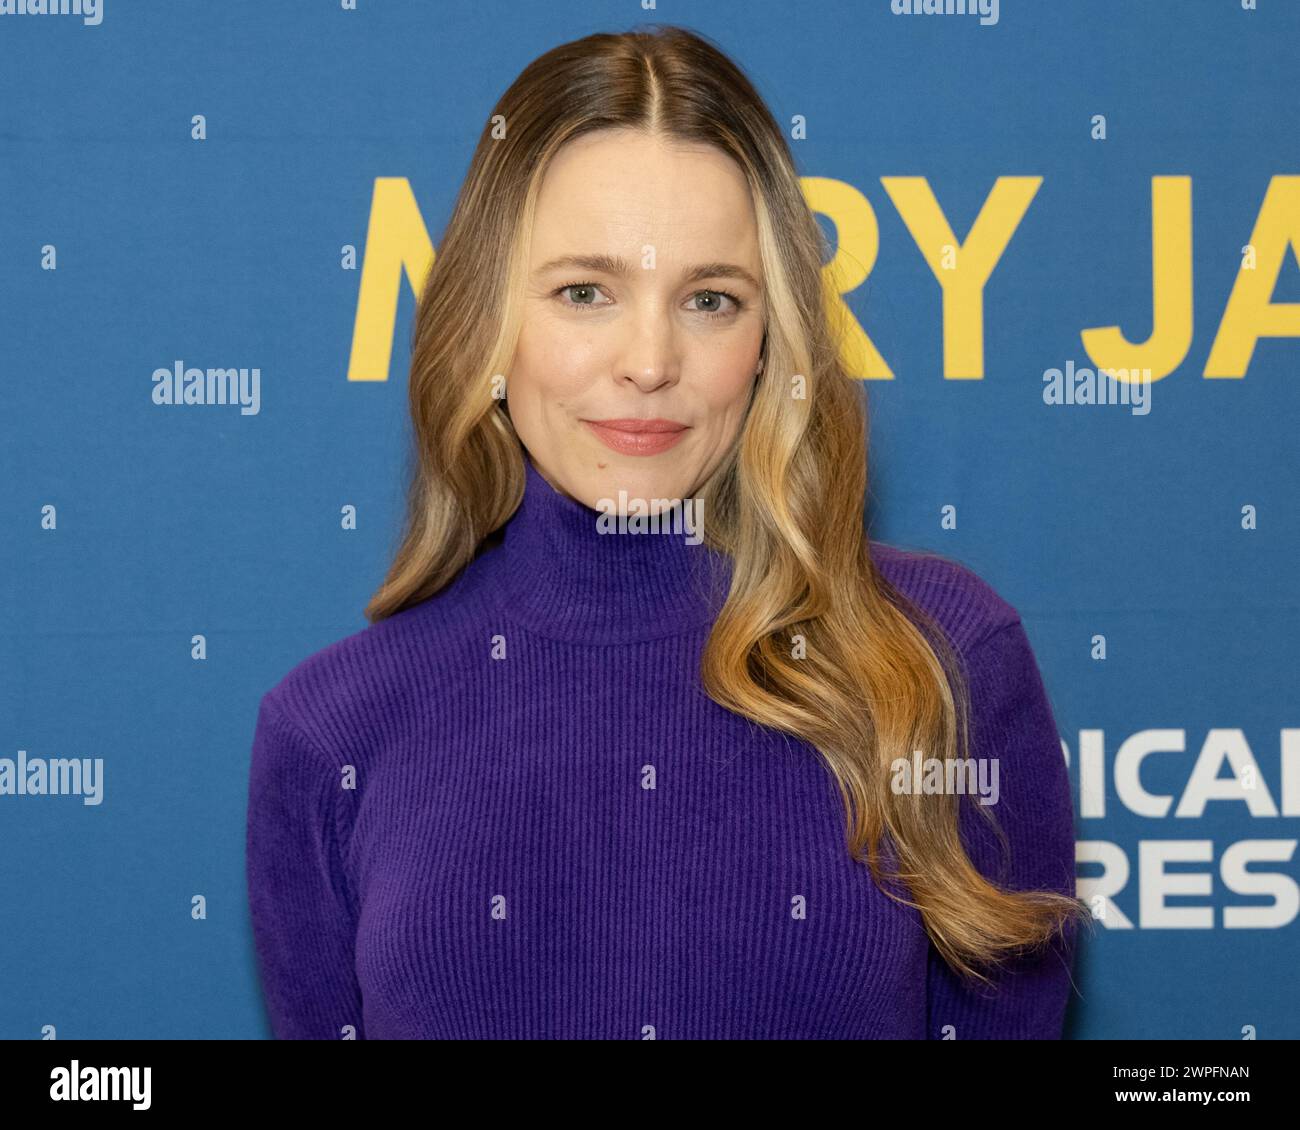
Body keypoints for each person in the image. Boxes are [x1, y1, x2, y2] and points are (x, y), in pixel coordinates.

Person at [246, 24, 1088, 1040]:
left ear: (770, 334)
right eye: (585, 291)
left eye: (710, 299)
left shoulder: (942, 662)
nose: (650, 359)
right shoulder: (332, 730)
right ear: (488, 319)